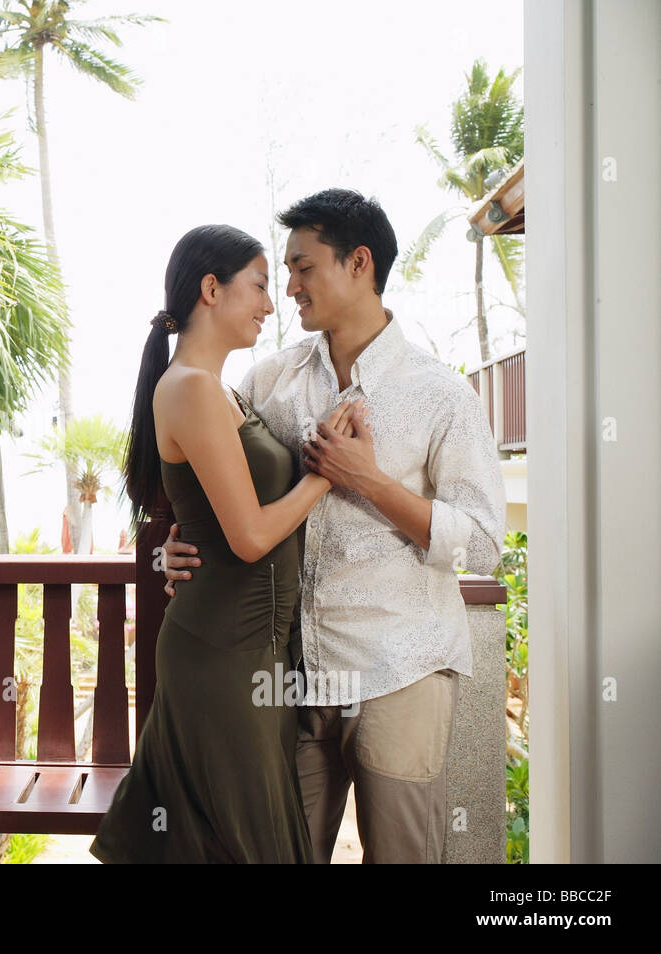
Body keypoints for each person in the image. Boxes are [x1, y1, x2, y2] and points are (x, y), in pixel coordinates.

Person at [158, 189, 507, 864]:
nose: (286, 287)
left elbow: (485, 543)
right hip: (291, 677)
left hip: (400, 668)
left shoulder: (441, 395)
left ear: (359, 265)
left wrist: (368, 480)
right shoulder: (270, 382)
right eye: (282, 272)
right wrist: (172, 552)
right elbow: (203, 474)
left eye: (303, 267)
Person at [87, 224, 366, 864]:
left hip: (256, 655)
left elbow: (218, 512)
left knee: (240, 838)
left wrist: (185, 539)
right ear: (211, 289)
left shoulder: (220, 389)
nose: (272, 303)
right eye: (261, 285)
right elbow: (249, 537)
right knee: (251, 842)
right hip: (223, 655)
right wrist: (330, 472)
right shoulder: (188, 387)